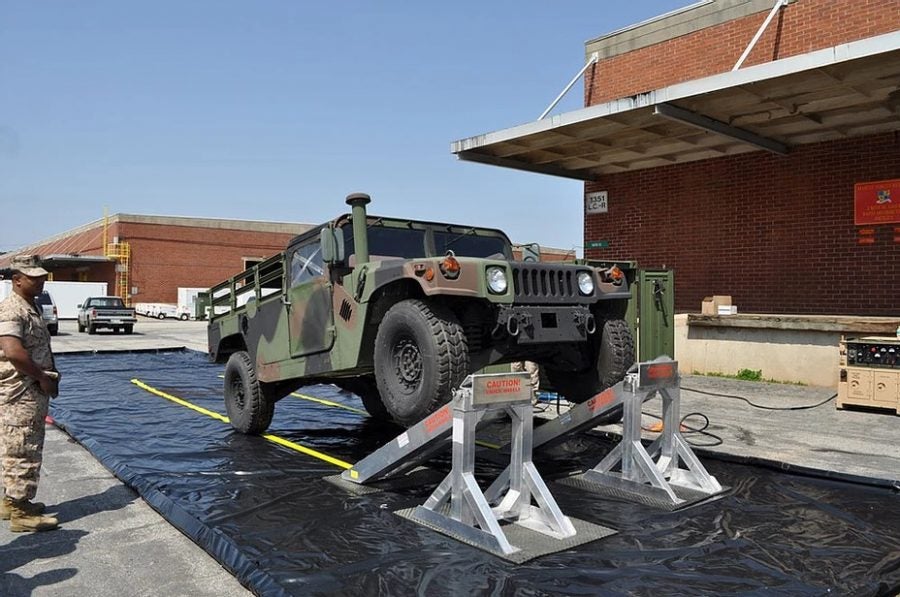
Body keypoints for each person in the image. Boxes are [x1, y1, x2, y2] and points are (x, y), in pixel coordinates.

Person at [0, 254, 60, 532]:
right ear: (17, 280)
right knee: (23, 448)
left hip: (29, 390)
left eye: (42, 276)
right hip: (21, 392)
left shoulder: (30, 306)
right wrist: (43, 379)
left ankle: (12, 501)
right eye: (34, 278)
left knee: (16, 446)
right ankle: (21, 512)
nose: (41, 281)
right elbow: (14, 353)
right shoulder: (13, 309)